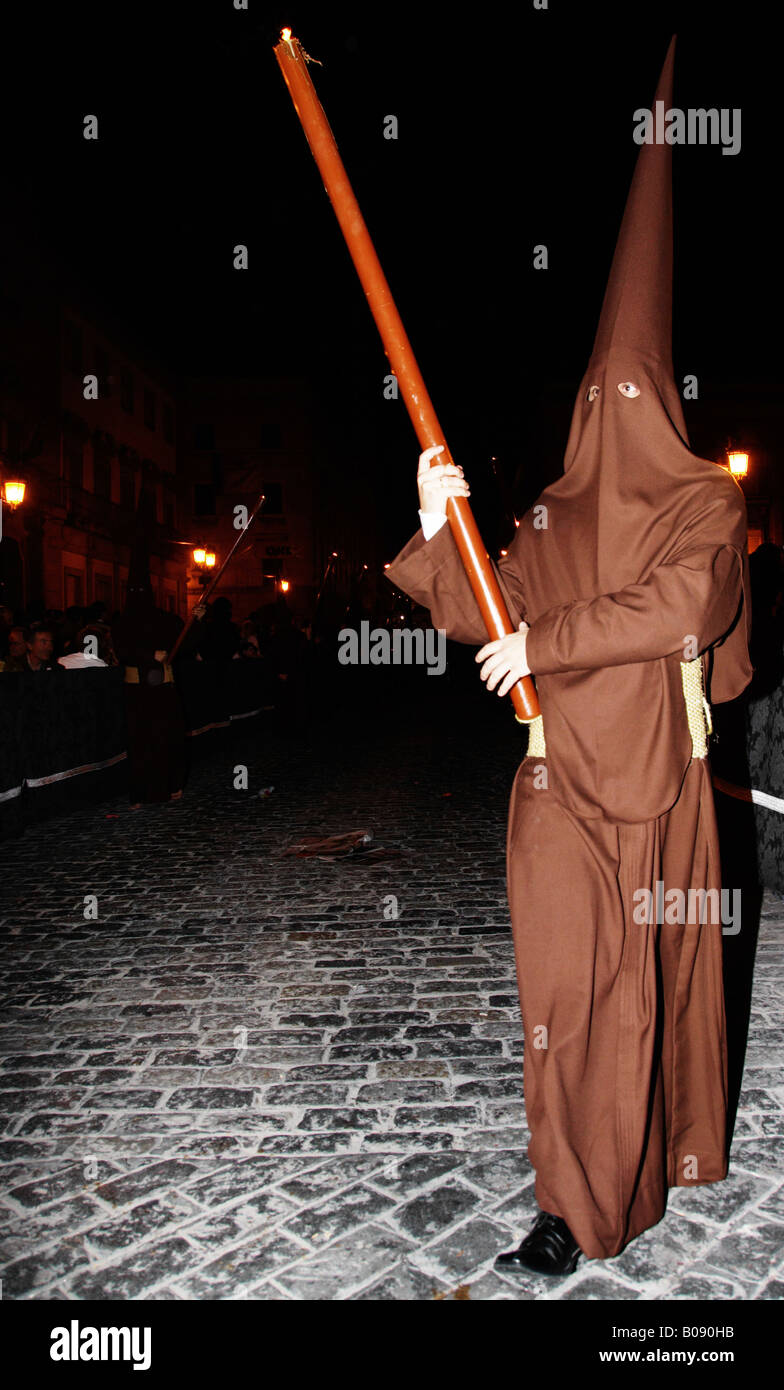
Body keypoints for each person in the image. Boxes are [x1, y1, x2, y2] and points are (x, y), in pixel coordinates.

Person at [384, 39, 752, 1276]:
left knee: (649, 991)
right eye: (599, 393)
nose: (613, 410)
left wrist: (545, 639)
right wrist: (444, 530)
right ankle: (570, 1199)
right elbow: (490, 611)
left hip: (657, 786)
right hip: (555, 788)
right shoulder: (546, 514)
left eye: (635, 390)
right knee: (567, 999)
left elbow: (678, 612)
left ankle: (652, 1160)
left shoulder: (708, 507)